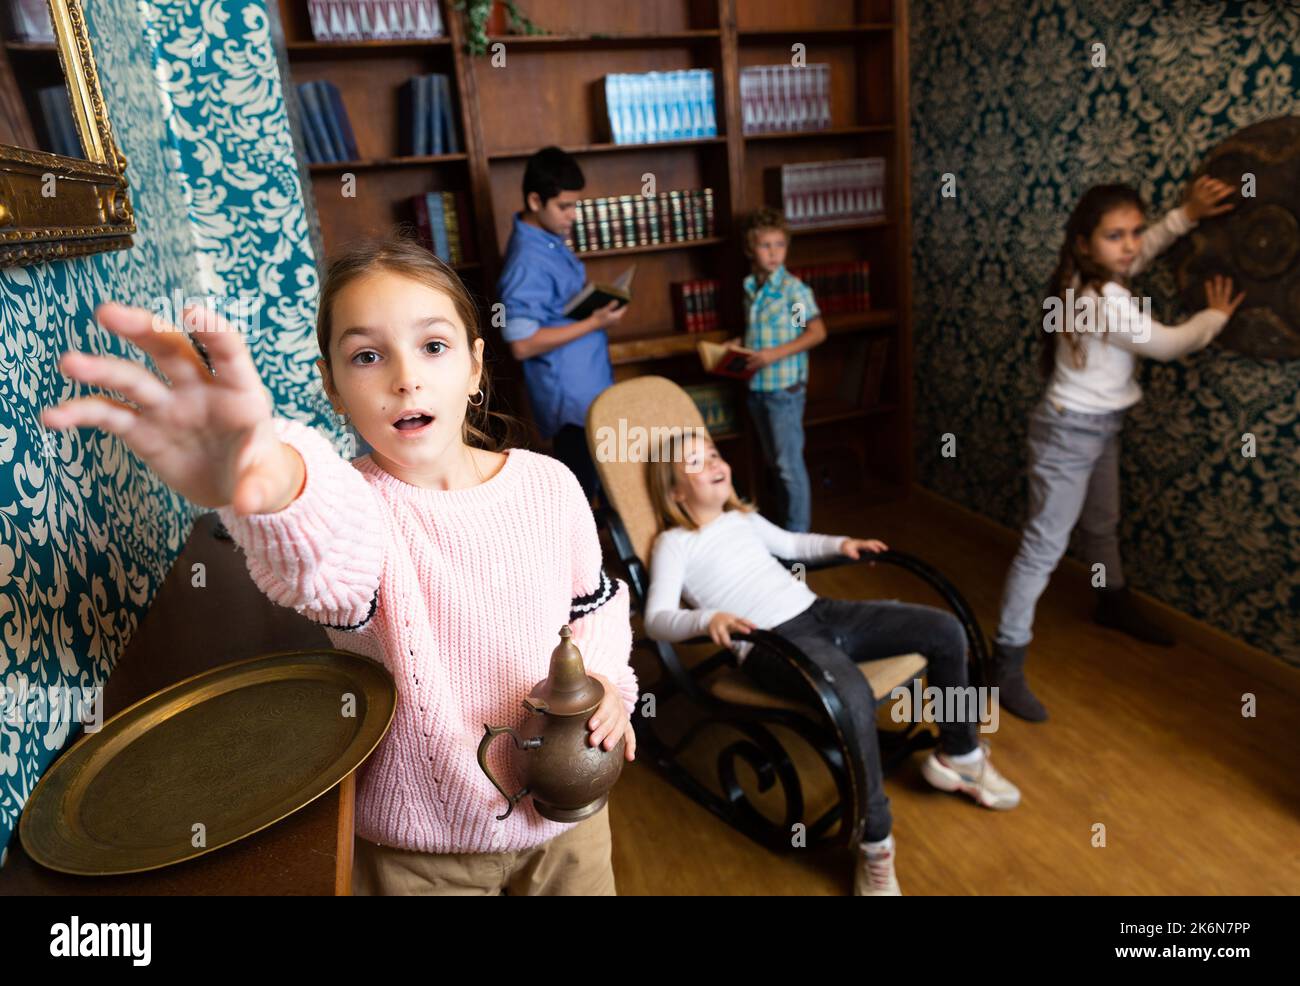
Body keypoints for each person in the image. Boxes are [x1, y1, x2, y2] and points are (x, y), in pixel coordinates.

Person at [41, 236, 638, 895]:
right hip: (418, 858)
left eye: (432, 346)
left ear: (474, 367)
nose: (404, 377)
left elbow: (596, 604)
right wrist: (275, 479)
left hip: (570, 825)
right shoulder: (360, 508)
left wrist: (609, 682)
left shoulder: (549, 487)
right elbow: (324, 552)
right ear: (332, 387)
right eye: (367, 356)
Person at [642, 431, 1020, 896]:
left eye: (715, 453)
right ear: (674, 491)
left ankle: (959, 755)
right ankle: (875, 841)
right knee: (851, 690)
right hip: (771, 645)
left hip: (822, 615)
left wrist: (842, 544)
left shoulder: (742, 518)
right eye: (696, 462)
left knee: (944, 630)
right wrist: (707, 618)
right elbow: (657, 619)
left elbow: (795, 545)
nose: (714, 462)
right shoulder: (674, 544)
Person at [989, 177, 1244, 722]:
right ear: (1085, 244)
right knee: (1043, 546)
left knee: (1103, 522)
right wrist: (1215, 319)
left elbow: (1141, 252)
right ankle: (1005, 662)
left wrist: (1185, 216)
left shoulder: (1088, 275)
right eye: (1114, 236)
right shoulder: (1101, 298)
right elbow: (1169, 344)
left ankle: (1111, 600)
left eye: (1132, 232)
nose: (1130, 245)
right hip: (1069, 433)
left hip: (1098, 425)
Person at [497, 146, 626, 500]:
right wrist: (595, 322)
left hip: (586, 391)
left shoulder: (550, 242)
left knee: (605, 490)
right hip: (569, 402)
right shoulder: (527, 260)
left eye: (575, 206)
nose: (572, 216)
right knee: (582, 498)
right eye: (564, 207)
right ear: (535, 200)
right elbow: (521, 344)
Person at [733, 207, 827, 532]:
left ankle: (798, 535)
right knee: (773, 463)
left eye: (779, 245)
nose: (773, 253)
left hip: (783, 389)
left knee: (788, 466)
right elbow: (759, 332)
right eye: (765, 246)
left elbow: (814, 332)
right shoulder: (750, 289)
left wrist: (774, 354)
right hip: (757, 387)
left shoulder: (792, 291)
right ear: (750, 249)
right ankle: (783, 529)